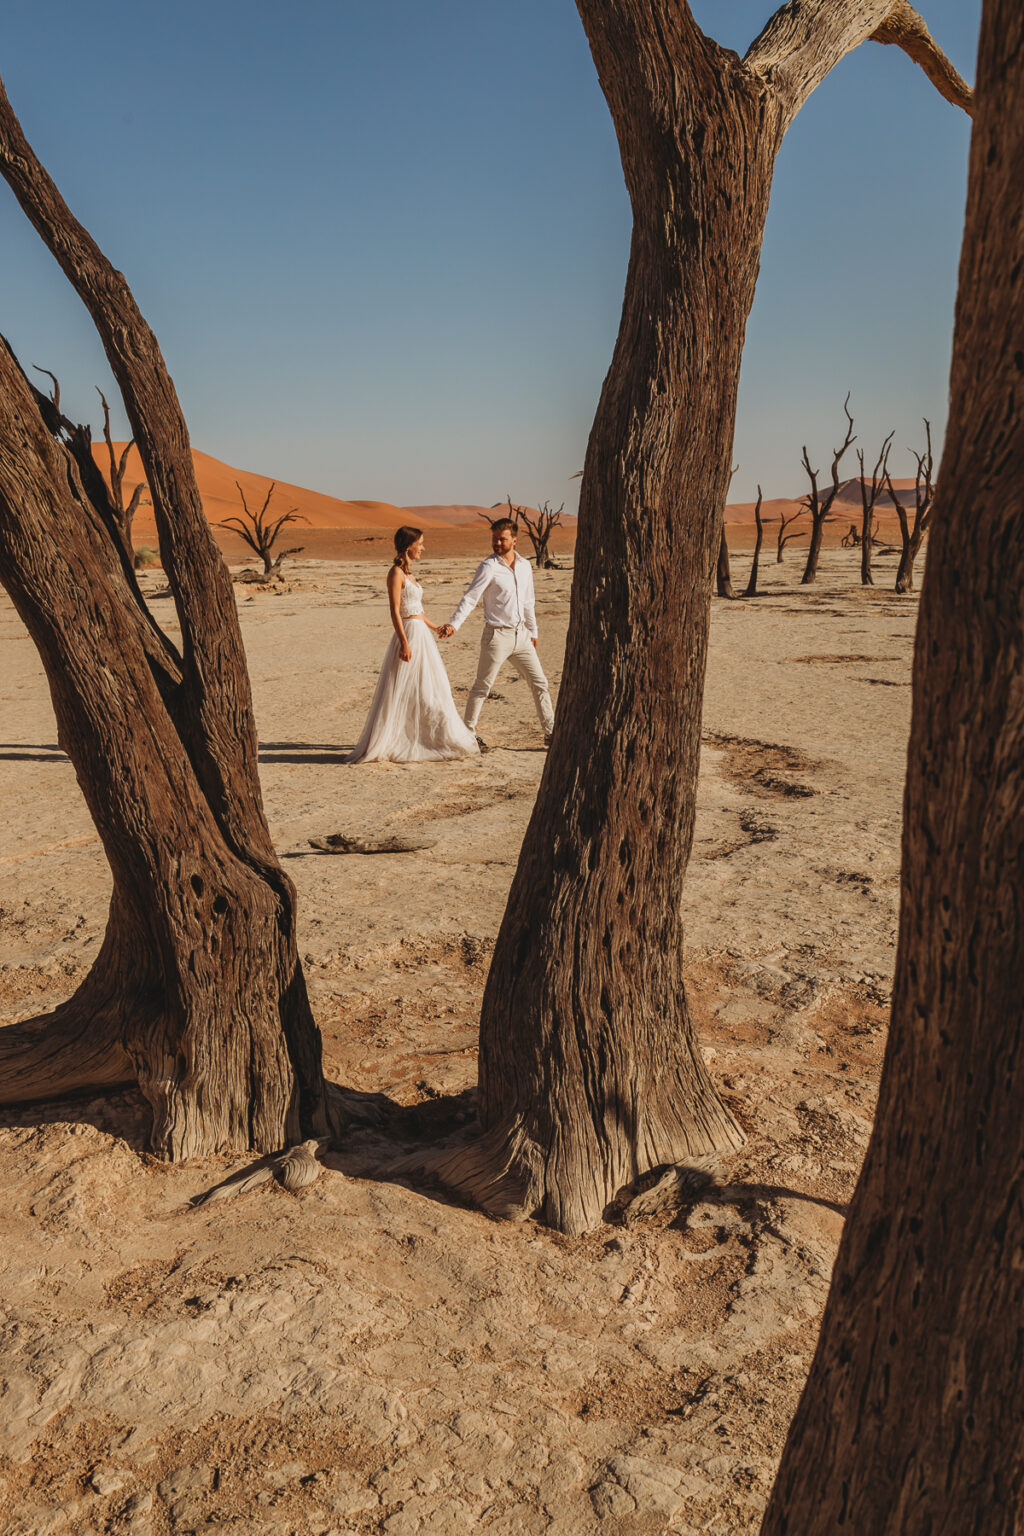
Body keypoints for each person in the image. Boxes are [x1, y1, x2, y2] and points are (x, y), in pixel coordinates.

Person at [346, 526, 480, 764]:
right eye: (420, 544)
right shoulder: (396, 573)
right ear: (409, 546)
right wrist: (404, 642)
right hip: (409, 635)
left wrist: (435, 627)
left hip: (422, 635)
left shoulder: (410, 575)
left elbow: (417, 611)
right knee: (407, 688)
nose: (423, 548)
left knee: (430, 687)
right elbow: (396, 611)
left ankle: (431, 736)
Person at [437, 518, 554, 750]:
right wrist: (454, 624)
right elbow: (471, 598)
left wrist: (533, 630)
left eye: (502, 539)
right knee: (482, 687)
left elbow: (529, 602)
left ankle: (551, 734)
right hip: (497, 637)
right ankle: (468, 736)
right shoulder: (488, 566)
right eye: (494, 539)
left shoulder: (525, 566)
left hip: (522, 636)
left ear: (514, 540)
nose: (497, 543)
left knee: (540, 683)